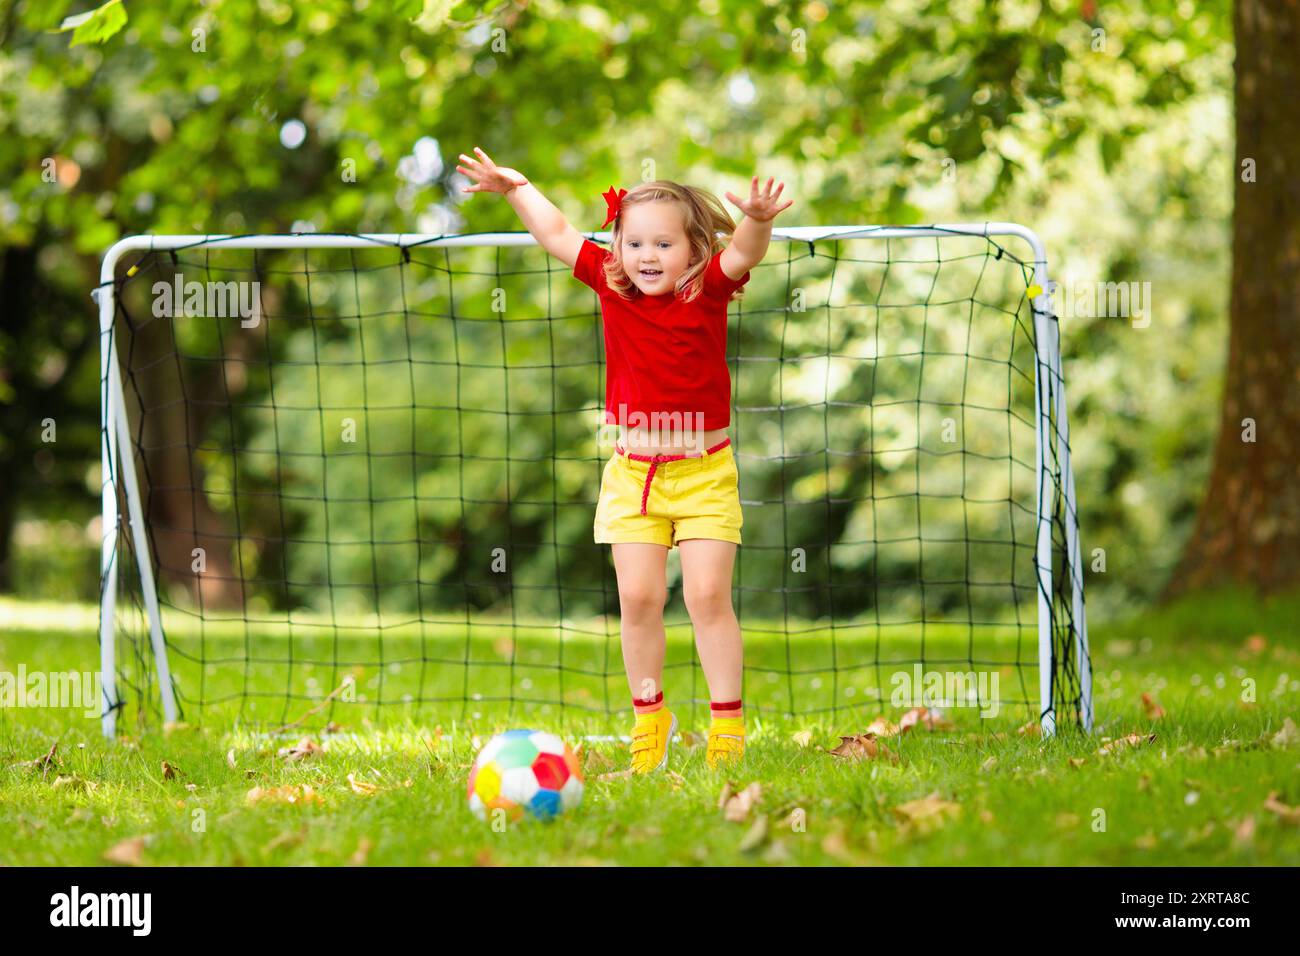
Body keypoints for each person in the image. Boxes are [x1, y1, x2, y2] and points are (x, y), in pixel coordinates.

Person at [455, 146, 793, 771]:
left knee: (706, 596)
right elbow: (556, 231)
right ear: (619, 247)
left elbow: (746, 251)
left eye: (663, 245)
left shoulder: (708, 289)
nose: (646, 257)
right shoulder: (612, 284)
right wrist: (516, 186)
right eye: (634, 244)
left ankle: (726, 728)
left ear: (693, 248)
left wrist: (759, 218)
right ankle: (650, 718)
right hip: (632, 475)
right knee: (637, 599)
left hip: (704, 474)